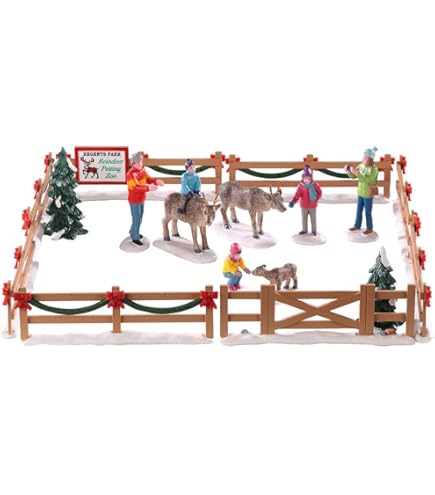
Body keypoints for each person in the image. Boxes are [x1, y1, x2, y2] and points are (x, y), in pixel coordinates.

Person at [127, 151, 164, 246]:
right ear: (133, 163)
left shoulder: (143, 170)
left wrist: (156, 181)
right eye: (138, 162)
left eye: (141, 161)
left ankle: (133, 231)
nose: (140, 164)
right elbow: (134, 188)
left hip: (142, 198)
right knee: (136, 219)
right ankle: (135, 237)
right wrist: (148, 188)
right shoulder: (130, 174)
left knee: (140, 217)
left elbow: (148, 179)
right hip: (134, 200)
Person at [344, 146, 379, 235]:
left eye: (365, 156)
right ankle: (357, 225)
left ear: (370, 158)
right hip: (360, 192)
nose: (363, 158)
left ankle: (369, 228)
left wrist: (357, 173)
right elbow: (354, 177)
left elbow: (368, 180)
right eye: (363, 156)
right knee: (358, 210)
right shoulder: (361, 166)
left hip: (368, 193)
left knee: (367, 212)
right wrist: (349, 172)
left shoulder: (374, 169)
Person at [288, 164, 322, 235]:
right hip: (304, 205)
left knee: (313, 218)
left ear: (311, 179)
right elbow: (297, 195)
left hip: (312, 205)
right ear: (303, 178)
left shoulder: (315, 185)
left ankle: (314, 230)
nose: (307, 180)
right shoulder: (300, 186)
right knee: (304, 218)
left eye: (309, 179)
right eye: (305, 178)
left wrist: (316, 199)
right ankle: (304, 229)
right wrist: (293, 201)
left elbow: (320, 192)